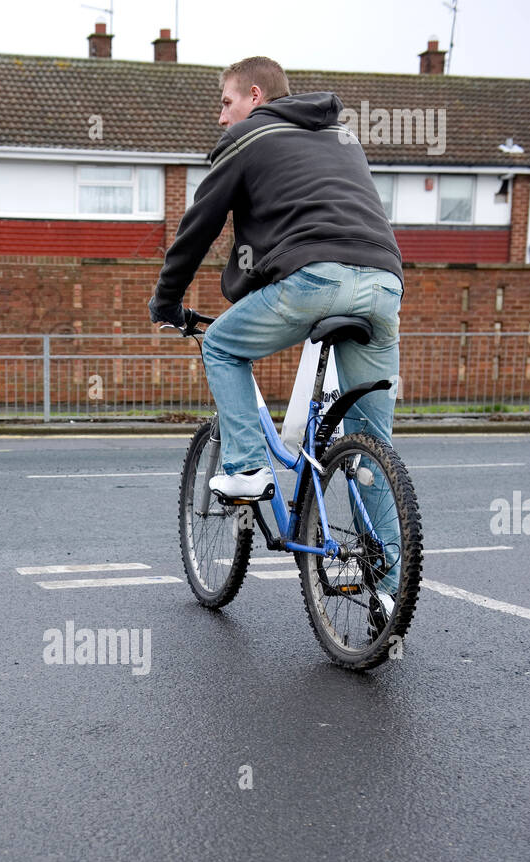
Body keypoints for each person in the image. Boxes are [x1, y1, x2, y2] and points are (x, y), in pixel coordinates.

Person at [149, 56, 404, 600]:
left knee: (220, 345)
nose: (222, 118)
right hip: (384, 283)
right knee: (371, 445)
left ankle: (246, 468)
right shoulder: (342, 136)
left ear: (255, 96)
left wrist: (166, 301)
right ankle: (388, 592)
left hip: (316, 278)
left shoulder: (248, 136)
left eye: (226, 102)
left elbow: (199, 226)